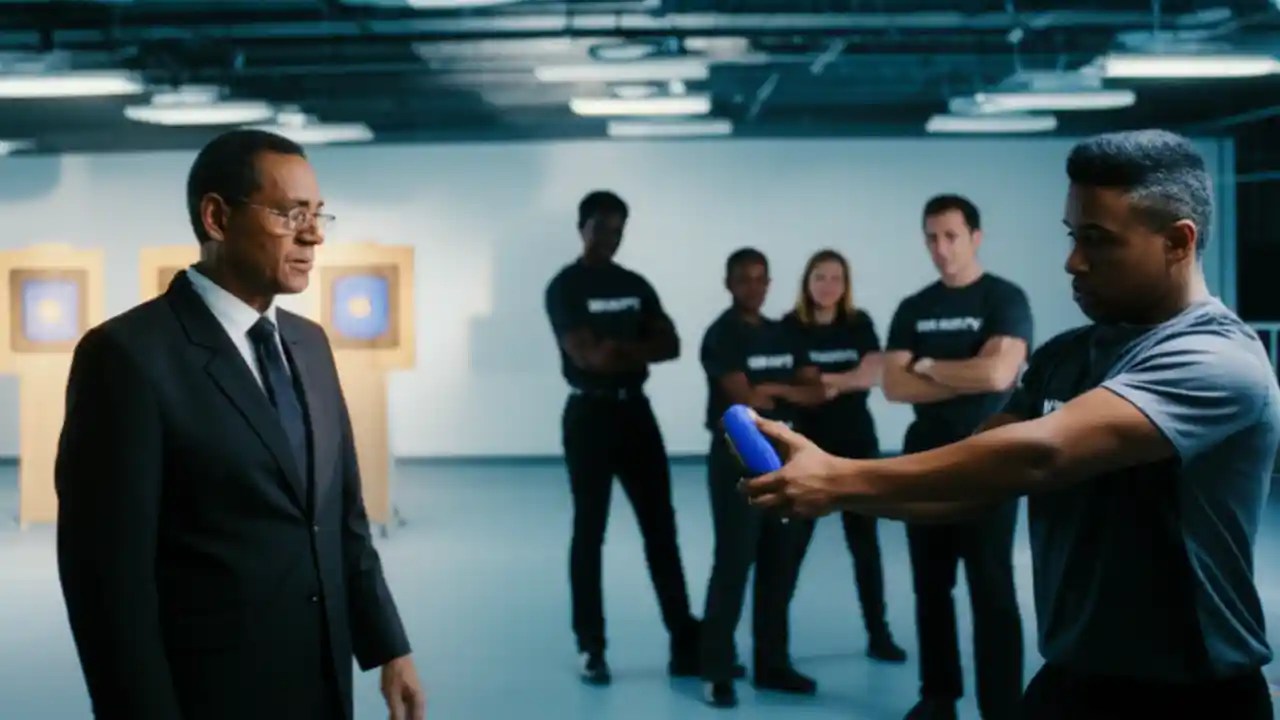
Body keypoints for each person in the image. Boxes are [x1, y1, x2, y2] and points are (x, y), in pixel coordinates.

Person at [740, 129, 1280, 720]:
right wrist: (821, 487)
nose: (1072, 260)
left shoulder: (1217, 360)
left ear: (1178, 242)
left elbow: (1040, 454)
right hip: (1070, 681)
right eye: (1074, 236)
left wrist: (840, 479)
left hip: (1190, 695)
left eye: (1097, 241)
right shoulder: (1065, 357)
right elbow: (975, 484)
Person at [54, 129, 426, 720]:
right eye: (289, 214)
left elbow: (341, 520)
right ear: (217, 217)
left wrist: (389, 646)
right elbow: (107, 585)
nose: (314, 233)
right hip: (211, 695)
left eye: (317, 213)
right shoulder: (128, 356)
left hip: (323, 688)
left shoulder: (310, 344)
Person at [880, 194, 1032, 719]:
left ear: (975, 237)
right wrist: (959, 368)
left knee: (991, 585)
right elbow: (894, 386)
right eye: (931, 237)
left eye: (950, 236)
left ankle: (1003, 706)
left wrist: (926, 364)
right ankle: (939, 696)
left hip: (990, 457)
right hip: (925, 459)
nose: (940, 248)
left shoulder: (1004, 299)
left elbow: (997, 376)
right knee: (931, 584)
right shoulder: (914, 307)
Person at [543, 190, 701, 686]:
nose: (609, 237)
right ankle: (592, 647)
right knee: (590, 532)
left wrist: (618, 349)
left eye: (617, 229)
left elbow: (673, 344)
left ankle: (685, 641)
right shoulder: (565, 288)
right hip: (588, 415)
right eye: (600, 227)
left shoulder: (635, 283)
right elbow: (590, 358)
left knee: (662, 528)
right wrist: (637, 346)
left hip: (637, 414)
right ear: (581, 226)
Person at [698, 247, 829, 709]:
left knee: (780, 563)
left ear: (770, 283)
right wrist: (783, 391)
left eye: (760, 279)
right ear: (729, 283)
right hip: (737, 461)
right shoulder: (721, 336)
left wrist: (772, 390)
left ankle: (772, 664)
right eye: (744, 279)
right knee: (735, 562)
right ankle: (715, 670)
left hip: (785, 458)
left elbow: (816, 391)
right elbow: (742, 402)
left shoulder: (784, 332)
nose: (753, 287)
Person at [781, 249, 907, 664]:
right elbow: (794, 380)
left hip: (856, 447)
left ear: (845, 284)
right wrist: (846, 379)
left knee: (865, 547)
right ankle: (773, 647)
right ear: (807, 280)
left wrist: (827, 384)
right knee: (790, 548)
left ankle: (879, 635)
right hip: (805, 449)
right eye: (820, 277)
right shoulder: (790, 326)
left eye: (836, 278)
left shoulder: (859, 323)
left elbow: (874, 373)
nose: (828, 286)